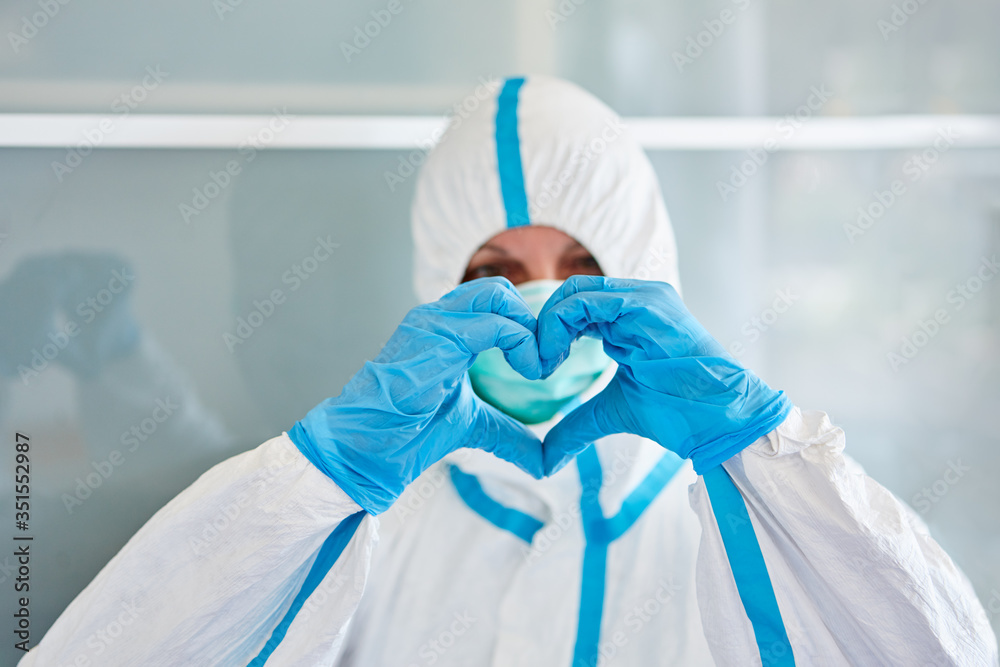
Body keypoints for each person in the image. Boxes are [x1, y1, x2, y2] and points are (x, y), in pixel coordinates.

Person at [20, 76, 997, 666]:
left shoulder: (751, 544)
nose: (541, 309)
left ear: (648, 277)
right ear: (434, 294)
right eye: (493, 275)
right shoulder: (377, 526)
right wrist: (319, 475)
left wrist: (766, 455)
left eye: (582, 271)